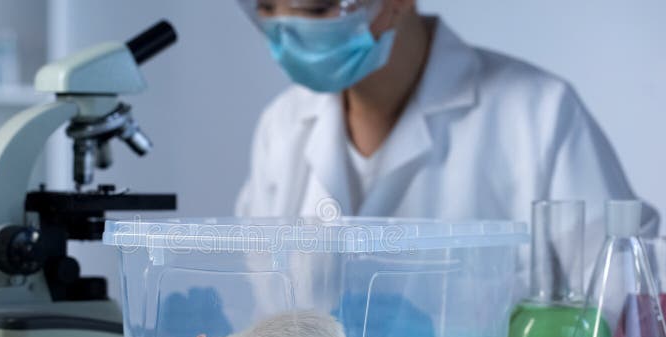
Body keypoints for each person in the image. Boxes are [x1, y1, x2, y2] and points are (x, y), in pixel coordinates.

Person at [234, 0, 659, 273]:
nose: (284, 32)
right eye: (265, 8)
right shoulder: (281, 127)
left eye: (315, 9)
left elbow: (635, 306)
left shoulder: (539, 114)